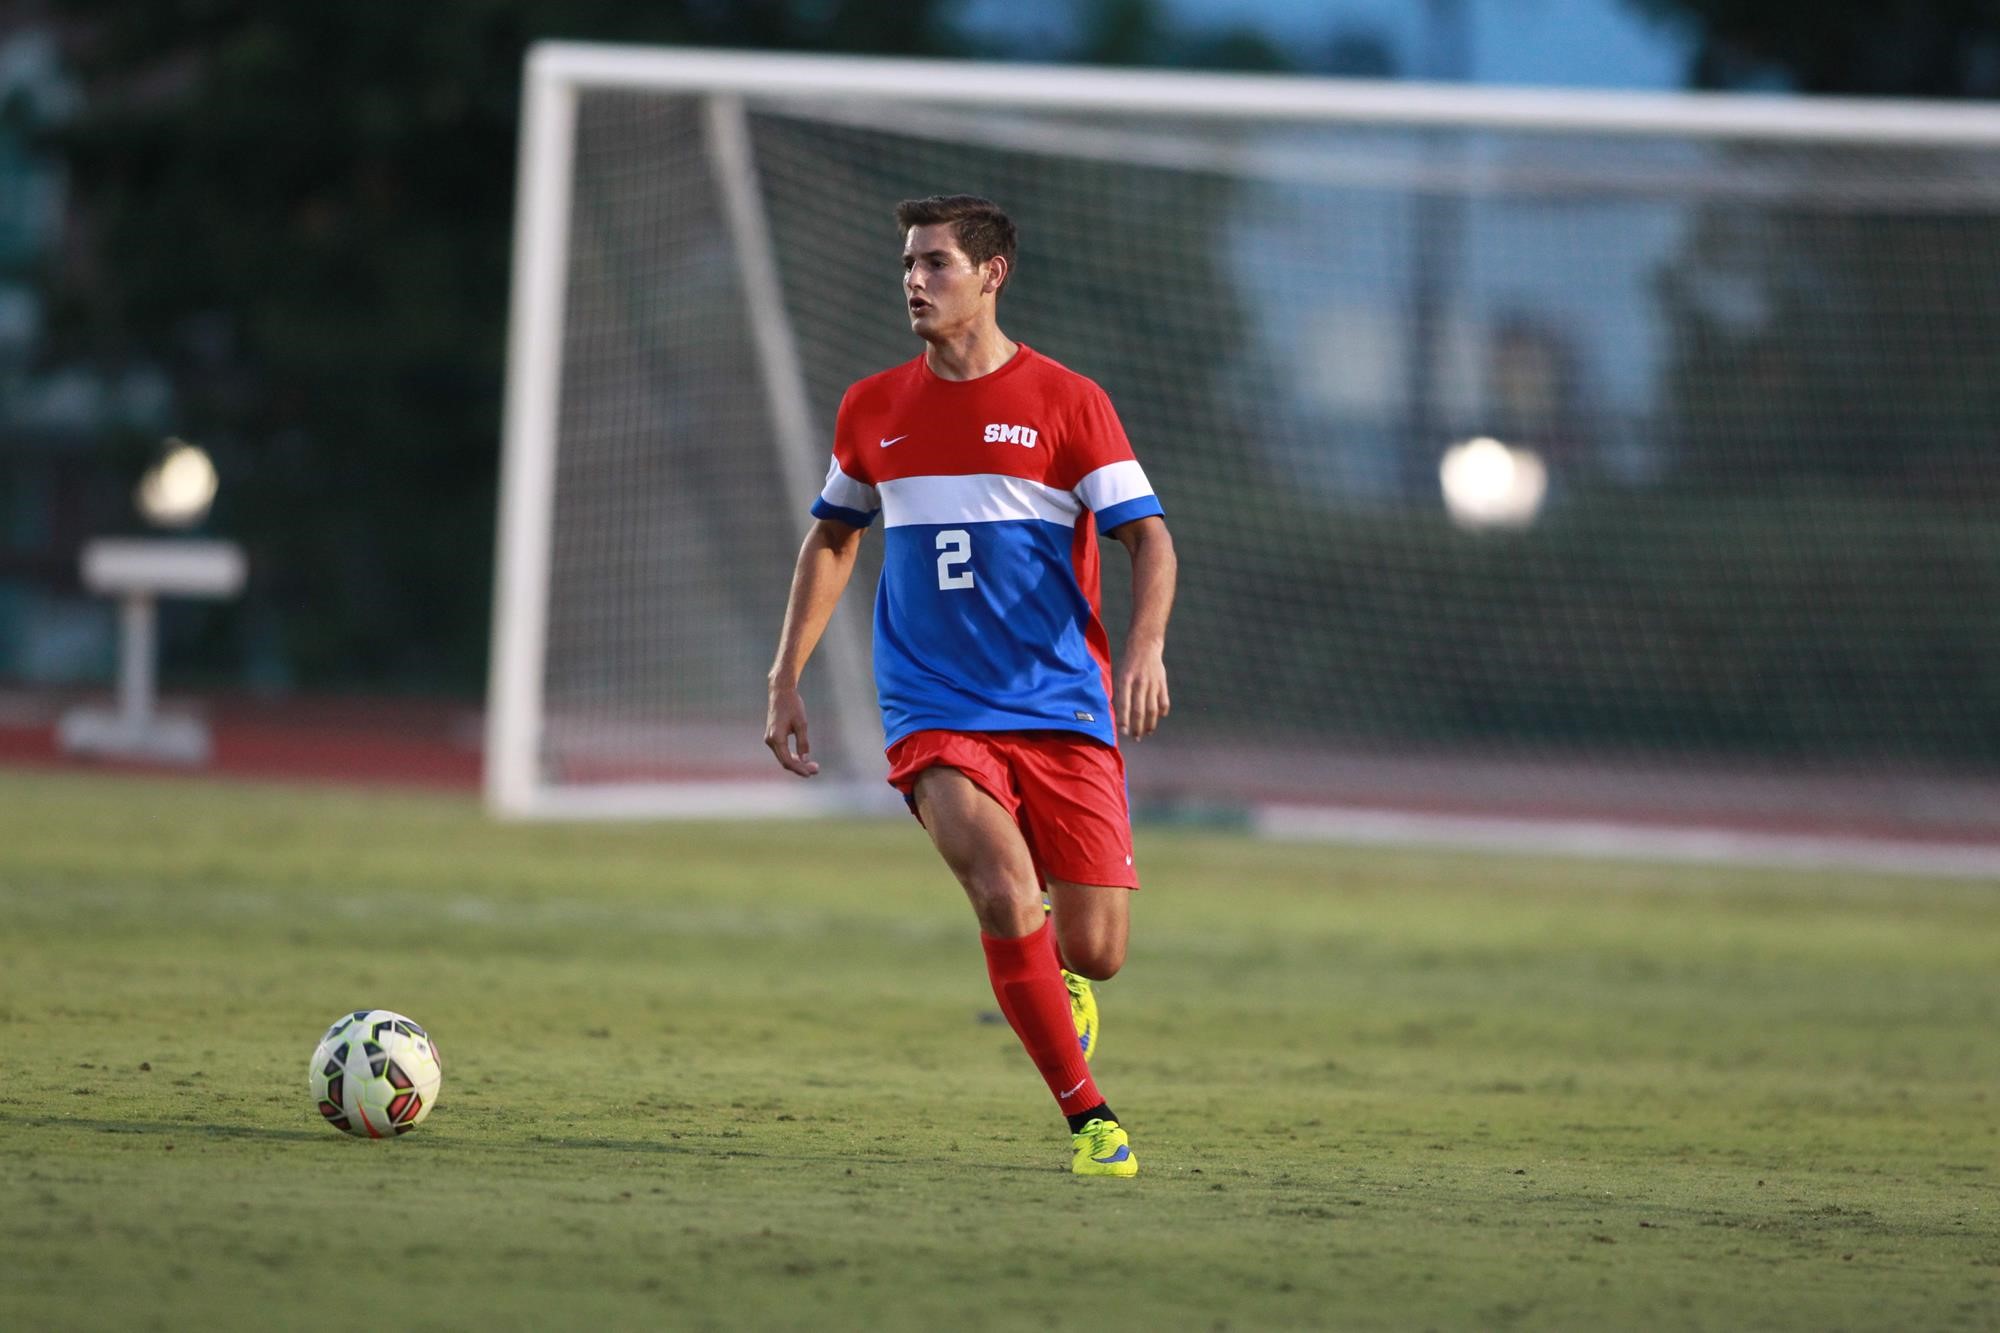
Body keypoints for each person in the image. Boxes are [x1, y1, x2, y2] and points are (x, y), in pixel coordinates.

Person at [763, 194, 1177, 1178]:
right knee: (999, 888)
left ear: (992, 275)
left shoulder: (1067, 400)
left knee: (1098, 947)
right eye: (907, 264)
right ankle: (1091, 1121)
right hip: (931, 702)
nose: (914, 280)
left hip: (1056, 698)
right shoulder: (872, 407)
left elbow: (1147, 537)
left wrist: (1145, 648)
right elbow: (832, 535)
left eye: (936, 263)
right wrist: (784, 675)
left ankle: (1057, 979)